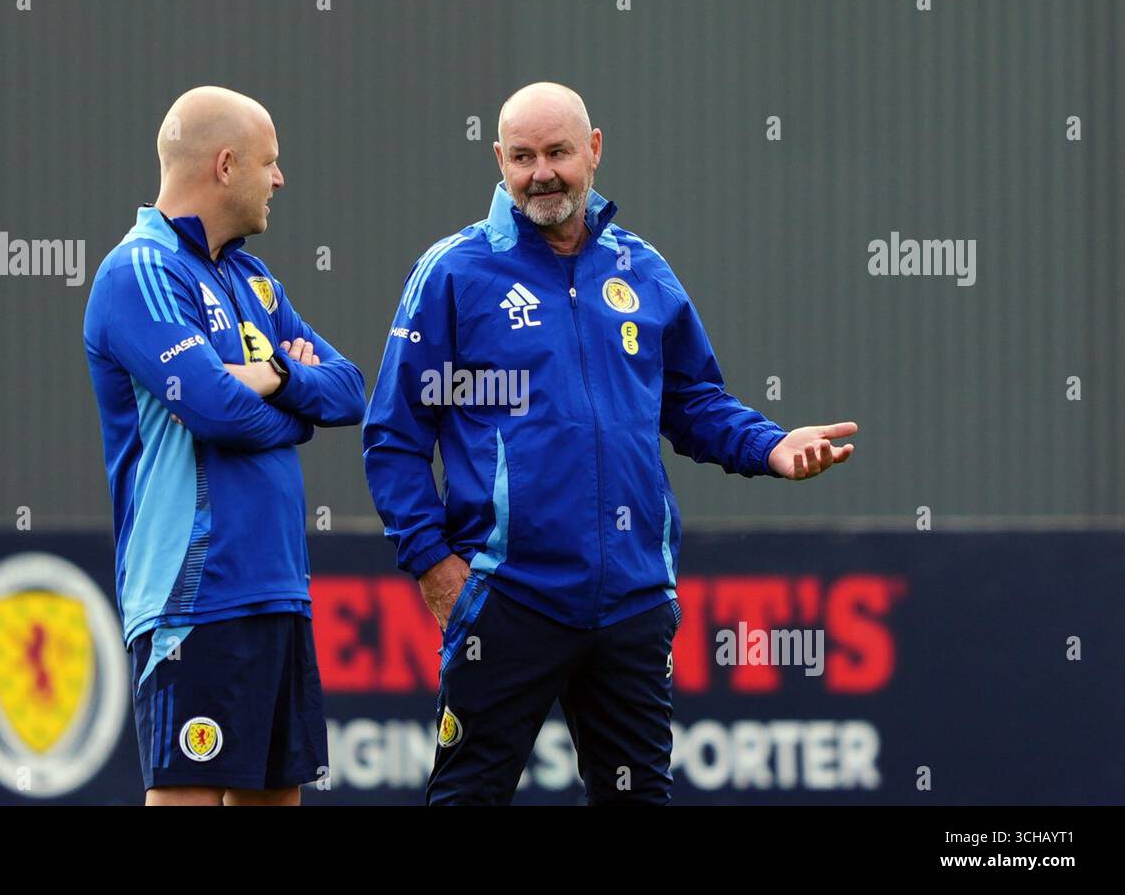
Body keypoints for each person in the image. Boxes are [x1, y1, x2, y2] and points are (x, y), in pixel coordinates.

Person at [362, 81, 857, 805]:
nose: (541, 174)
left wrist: (770, 446)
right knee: (466, 797)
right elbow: (394, 436)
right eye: (523, 156)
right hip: (508, 597)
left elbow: (692, 402)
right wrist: (436, 568)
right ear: (498, 159)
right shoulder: (455, 272)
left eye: (558, 152)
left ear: (593, 150)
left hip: (631, 599)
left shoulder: (640, 267)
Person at [84, 86, 365, 805]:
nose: (280, 179)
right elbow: (216, 413)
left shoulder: (253, 279)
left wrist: (269, 375)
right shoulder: (138, 271)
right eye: (269, 163)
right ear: (226, 164)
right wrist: (289, 387)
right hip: (194, 598)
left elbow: (350, 390)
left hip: (278, 590)